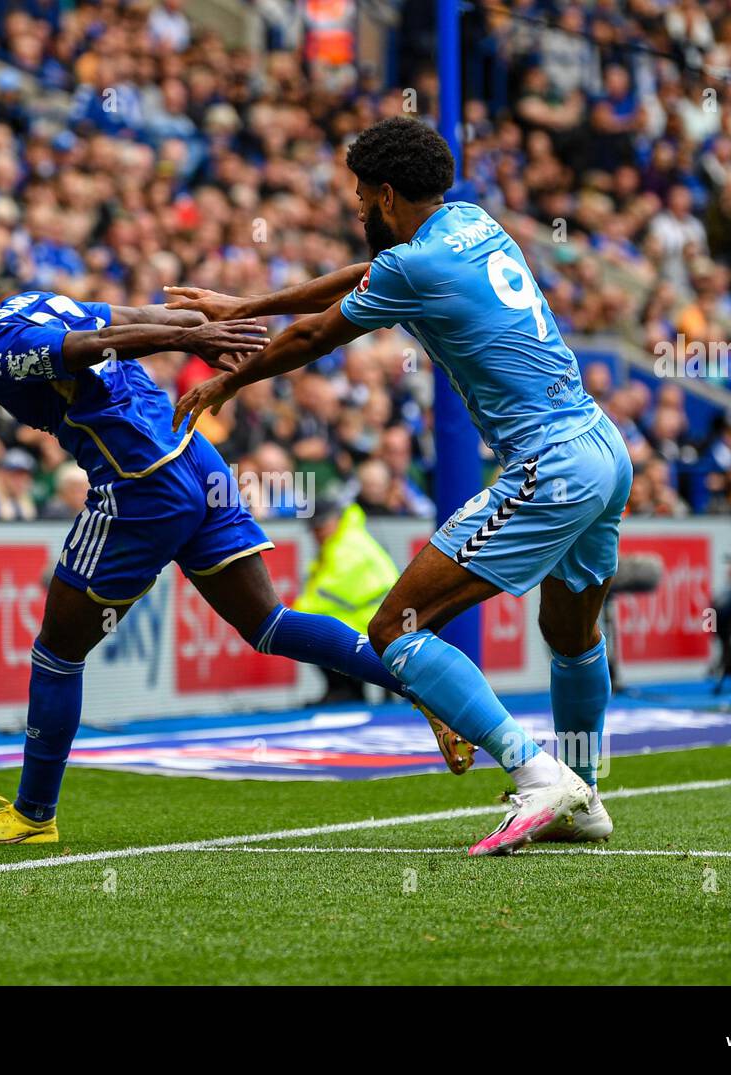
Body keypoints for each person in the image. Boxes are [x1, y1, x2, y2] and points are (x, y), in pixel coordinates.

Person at [171, 117, 633, 855]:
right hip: (604, 449)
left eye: (360, 198)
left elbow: (317, 334)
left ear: (386, 195)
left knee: (395, 629)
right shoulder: (470, 222)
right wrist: (243, 307)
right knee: (571, 636)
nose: (356, 210)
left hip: (550, 464)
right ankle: (583, 790)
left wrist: (231, 378)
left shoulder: (412, 266)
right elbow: (358, 281)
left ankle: (537, 775)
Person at [0, 283, 465, 845]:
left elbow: (83, 348)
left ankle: (32, 814)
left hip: (141, 487)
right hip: (194, 459)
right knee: (267, 622)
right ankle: (430, 688)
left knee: (56, 651)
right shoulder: (26, 305)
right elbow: (122, 319)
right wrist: (192, 325)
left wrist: (188, 339)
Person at [294, 497, 401, 704]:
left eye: (320, 526)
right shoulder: (346, 538)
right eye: (314, 528)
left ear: (335, 520)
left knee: (309, 631)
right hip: (373, 614)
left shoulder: (347, 546)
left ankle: (345, 689)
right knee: (317, 626)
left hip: (378, 618)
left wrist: (290, 617)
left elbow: (326, 594)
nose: (317, 534)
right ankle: (346, 688)